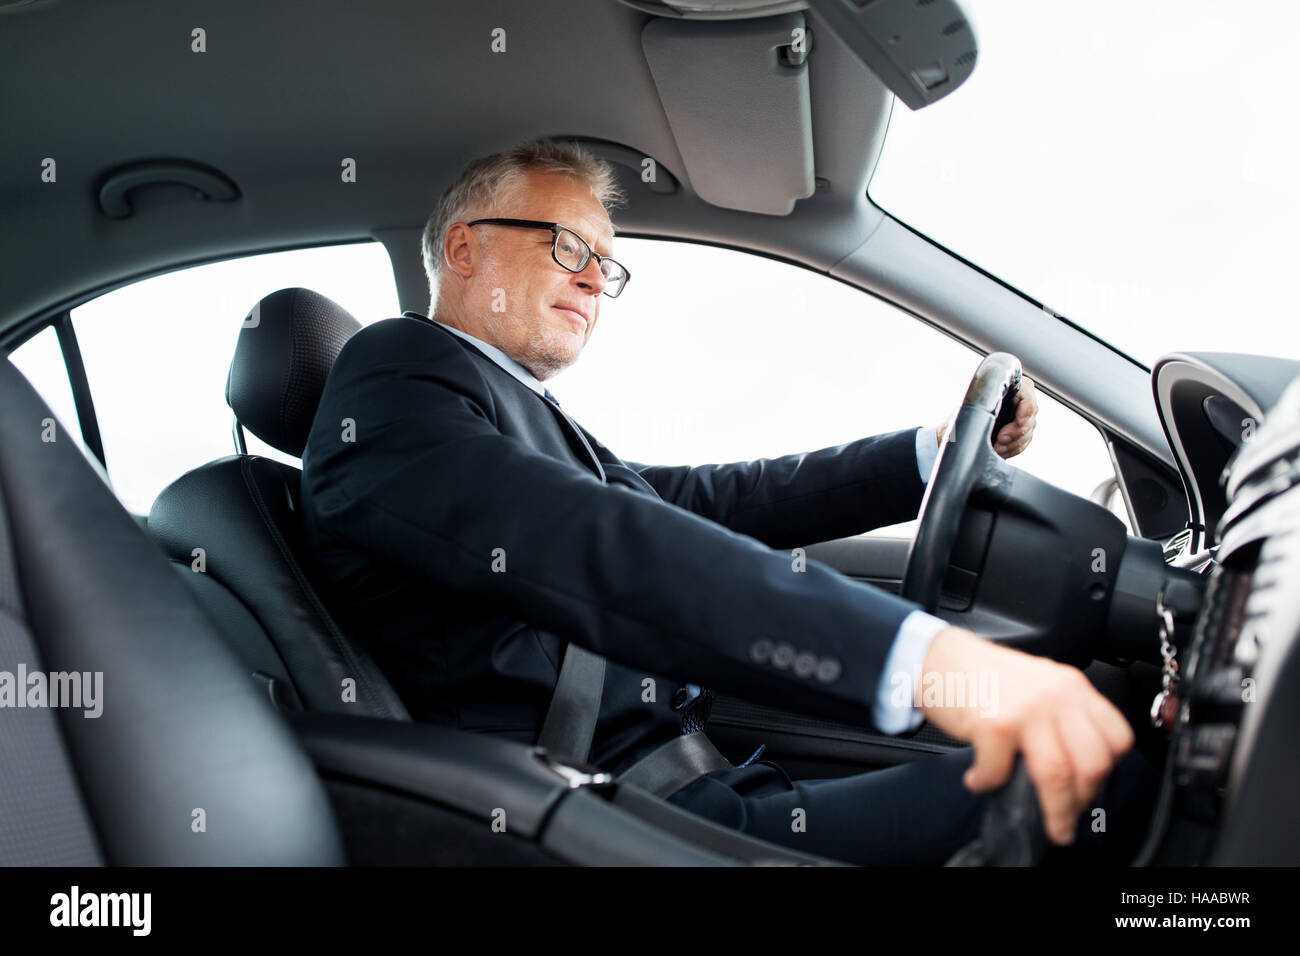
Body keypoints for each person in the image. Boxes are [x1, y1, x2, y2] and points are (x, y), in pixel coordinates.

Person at [299, 137, 1150, 865]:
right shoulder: (393, 378)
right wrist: (928, 662)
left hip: (692, 785)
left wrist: (924, 455)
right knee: (1097, 783)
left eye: (606, 262)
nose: (594, 280)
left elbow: (702, 501)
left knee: (1093, 763)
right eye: (566, 246)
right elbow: (588, 537)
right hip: (604, 821)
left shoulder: (514, 409)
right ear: (464, 250)